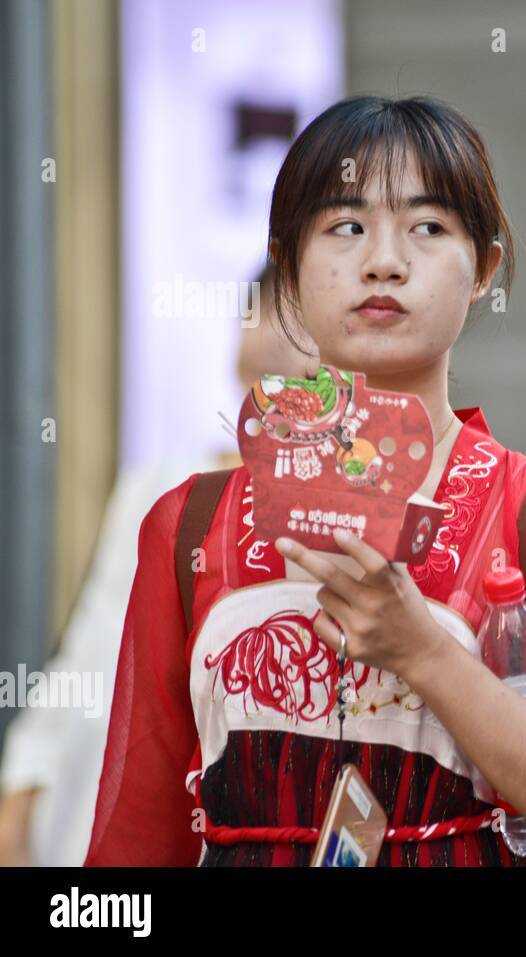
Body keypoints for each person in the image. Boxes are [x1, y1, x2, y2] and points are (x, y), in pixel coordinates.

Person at [83, 95, 526, 867]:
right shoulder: (189, 525)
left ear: (483, 269)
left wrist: (426, 653)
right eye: (345, 227)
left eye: (428, 228)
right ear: (287, 269)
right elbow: (135, 840)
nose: (384, 260)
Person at [0, 267, 315, 867]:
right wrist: (22, 780)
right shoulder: (162, 488)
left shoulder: (331, 517)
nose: (274, 329)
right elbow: (89, 642)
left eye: (297, 316)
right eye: (264, 307)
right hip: (86, 817)